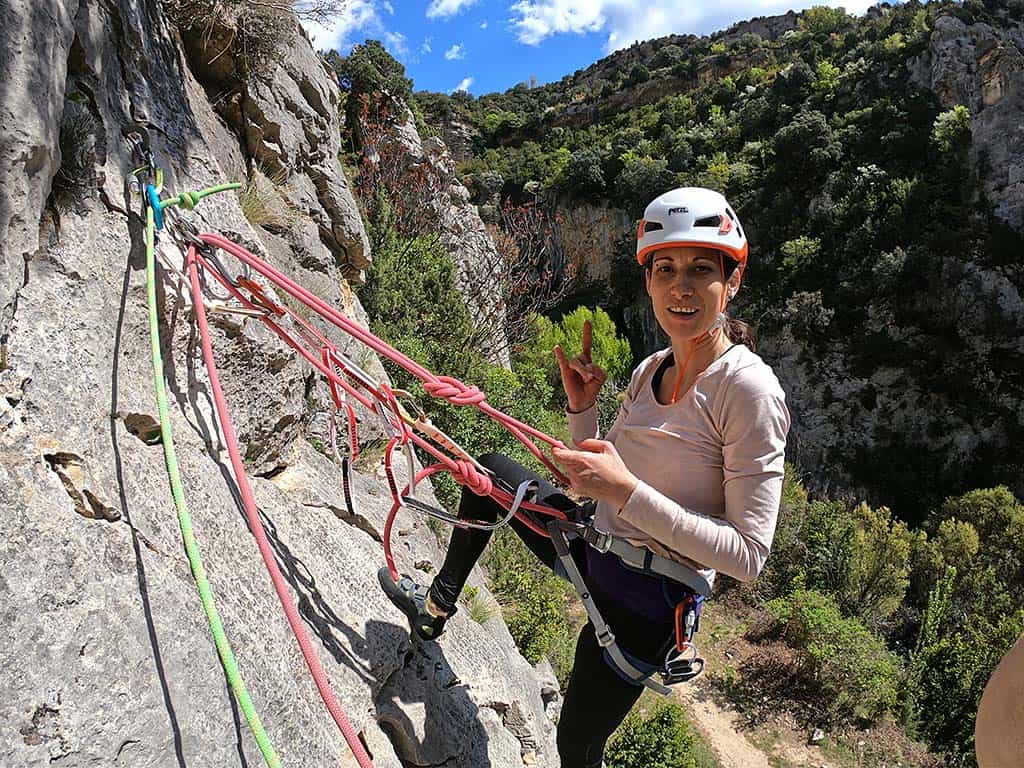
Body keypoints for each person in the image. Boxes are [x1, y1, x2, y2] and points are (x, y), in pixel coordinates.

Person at [379, 187, 791, 768]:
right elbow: (596, 472)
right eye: (666, 269)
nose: (681, 287)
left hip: (644, 603)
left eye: (702, 269)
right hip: (594, 545)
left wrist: (625, 491)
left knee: (575, 747)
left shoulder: (747, 390)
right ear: (648, 281)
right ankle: (437, 606)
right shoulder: (651, 369)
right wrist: (582, 410)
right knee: (491, 473)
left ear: (733, 281)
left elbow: (747, 556)